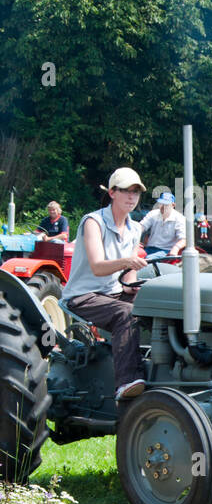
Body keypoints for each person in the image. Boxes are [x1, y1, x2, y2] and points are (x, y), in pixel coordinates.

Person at [62, 168, 150, 400]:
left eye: (136, 192)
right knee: (127, 313)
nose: (132, 197)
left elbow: (128, 277)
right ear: (112, 192)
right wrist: (127, 261)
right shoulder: (93, 222)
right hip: (84, 296)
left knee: (159, 307)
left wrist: (134, 286)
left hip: (113, 293)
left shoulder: (135, 228)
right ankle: (126, 382)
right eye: (127, 191)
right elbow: (98, 266)